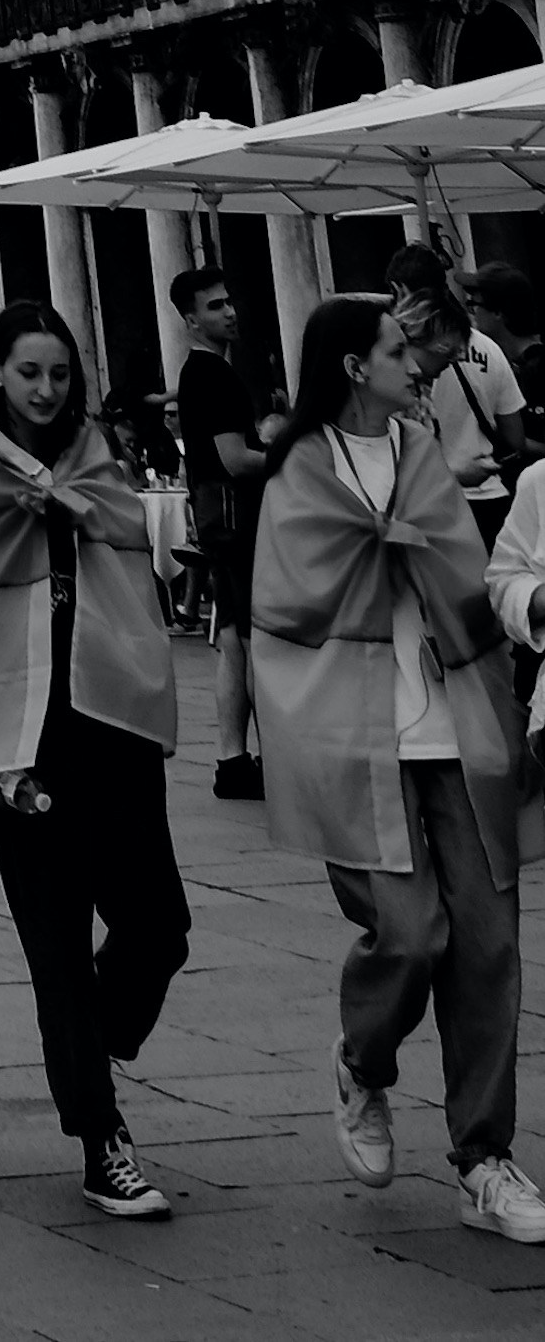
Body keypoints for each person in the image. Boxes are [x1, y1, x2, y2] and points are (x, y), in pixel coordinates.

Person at [258, 284, 545, 1237]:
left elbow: (462, 572)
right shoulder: (298, 464)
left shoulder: (420, 452)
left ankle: (485, 1157)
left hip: (455, 722)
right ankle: (362, 1061)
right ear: (354, 366)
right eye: (395, 348)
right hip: (352, 735)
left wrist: (417, 546)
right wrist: (391, 545)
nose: (413, 361)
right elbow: (291, 596)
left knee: (490, 941)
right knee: (411, 933)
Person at [0, 304, 185, 1220]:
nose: (46, 389)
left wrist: (76, 505)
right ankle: (100, 1136)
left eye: (60, 373)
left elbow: (124, 525)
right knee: (55, 946)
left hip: (108, 713)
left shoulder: (93, 450)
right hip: (22, 727)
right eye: (28, 370)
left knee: (160, 923)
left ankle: (95, 1037)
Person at [168, 265, 284, 796]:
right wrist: (290, 454)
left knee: (234, 639)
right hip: (238, 520)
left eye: (229, 300)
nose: (230, 310)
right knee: (253, 639)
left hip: (220, 519)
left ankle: (233, 761)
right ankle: (272, 758)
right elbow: (234, 459)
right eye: (215, 306)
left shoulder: (203, 373)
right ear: (190, 318)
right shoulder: (210, 374)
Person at [392, 249, 531, 546]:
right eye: (448, 353)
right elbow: (515, 438)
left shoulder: (397, 379)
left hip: (432, 508)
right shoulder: (487, 348)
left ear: (398, 289)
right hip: (477, 500)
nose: (453, 359)